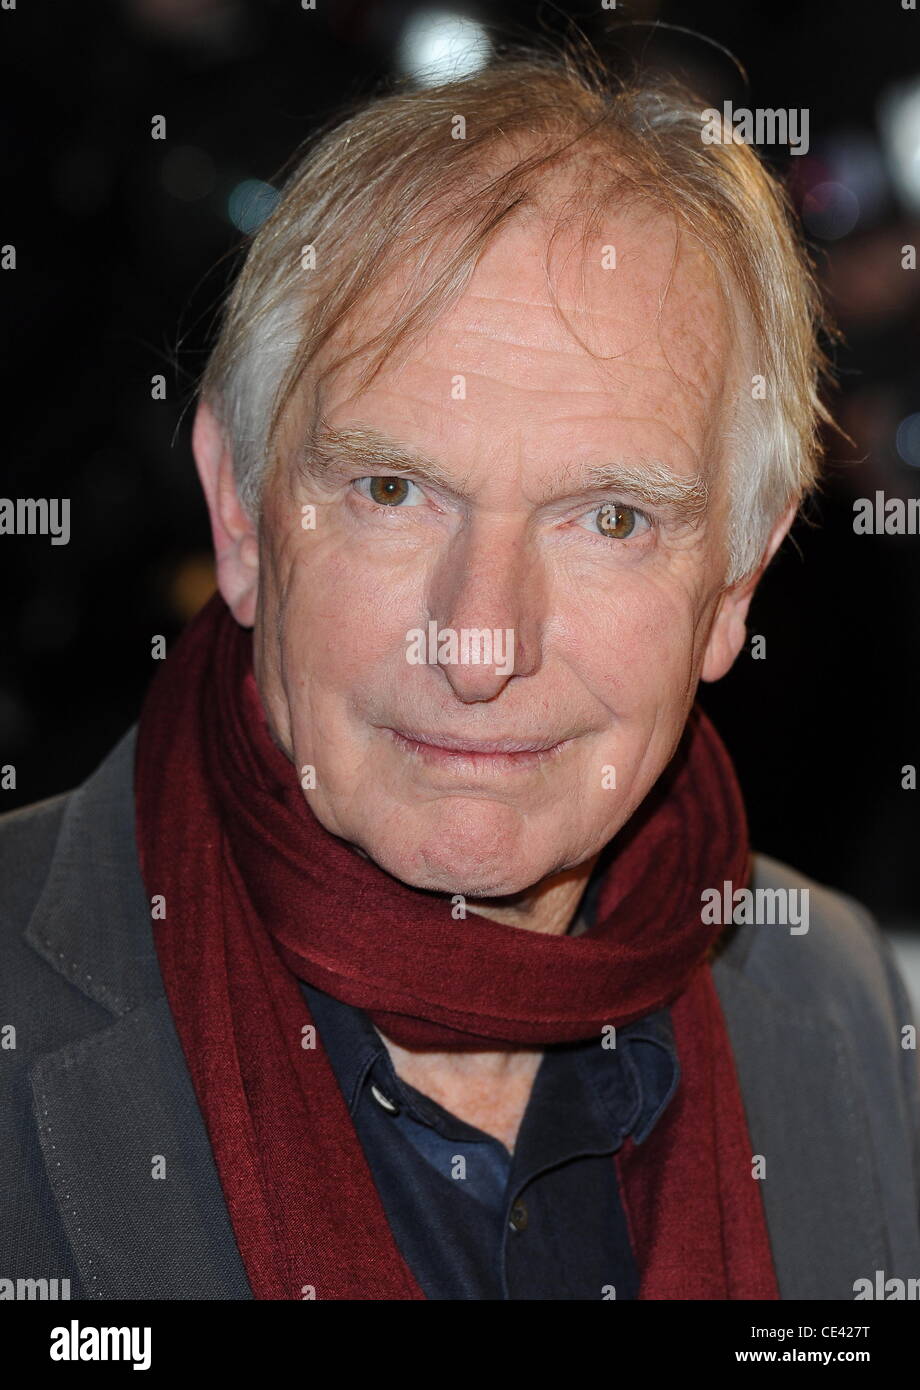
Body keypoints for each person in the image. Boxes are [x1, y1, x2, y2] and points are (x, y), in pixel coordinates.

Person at [2, 43, 918, 1301]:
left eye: (608, 518)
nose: (482, 643)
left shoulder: (845, 1005)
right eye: (392, 491)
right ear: (240, 514)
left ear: (736, 586)